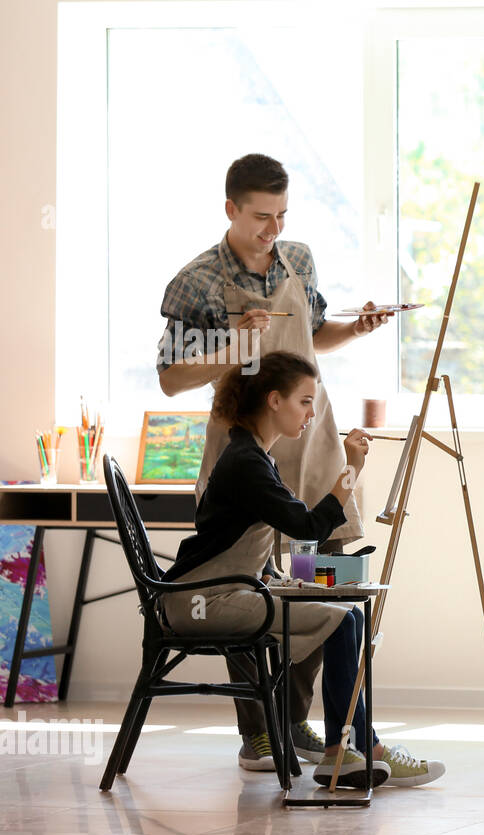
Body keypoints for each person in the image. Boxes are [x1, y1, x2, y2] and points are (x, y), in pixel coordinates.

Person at [157, 153, 390, 772]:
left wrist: (355, 329)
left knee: (327, 575)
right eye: (261, 217)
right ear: (230, 208)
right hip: (246, 446)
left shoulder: (299, 260)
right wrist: (233, 346)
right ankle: (257, 731)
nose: (273, 230)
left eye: (282, 215)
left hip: (310, 436)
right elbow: (170, 380)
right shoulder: (197, 281)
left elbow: (311, 334)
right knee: (245, 574)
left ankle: (297, 719)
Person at [160, 352, 444, 788]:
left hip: (226, 590)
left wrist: (286, 581)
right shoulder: (248, 463)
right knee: (346, 619)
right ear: (274, 400)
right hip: (204, 599)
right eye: (305, 401)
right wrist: (350, 469)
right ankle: (345, 751)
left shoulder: (253, 455)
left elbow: (254, 542)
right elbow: (307, 525)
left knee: (349, 616)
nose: (313, 413)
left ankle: (358, 747)